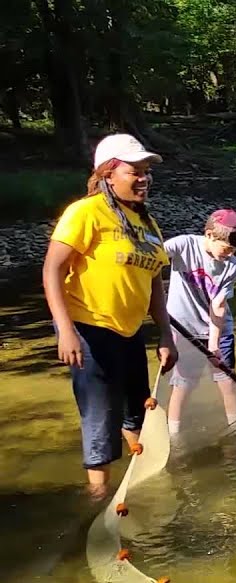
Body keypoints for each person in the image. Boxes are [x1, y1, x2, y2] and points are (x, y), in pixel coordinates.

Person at [41, 134, 178, 499]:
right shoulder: (86, 212)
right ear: (108, 173)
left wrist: (165, 333)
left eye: (147, 172)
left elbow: (154, 282)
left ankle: (140, 480)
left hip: (129, 330)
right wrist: (65, 330)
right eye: (135, 171)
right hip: (88, 327)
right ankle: (99, 495)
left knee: (138, 411)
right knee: (101, 416)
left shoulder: (147, 223)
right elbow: (52, 269)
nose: (144, 178)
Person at [164, 209, 236, 440]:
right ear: (210, 235)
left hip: (219, 330)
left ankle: (235, 432)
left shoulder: (231, 265)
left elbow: (218, 306)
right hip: (183, 328)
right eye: (227, 248)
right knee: (183, 385)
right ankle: (174, 436)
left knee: (227, 383)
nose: (230, 254)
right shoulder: (183, 245)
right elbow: (152, 258)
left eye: (234, 250)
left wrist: (214, 345)